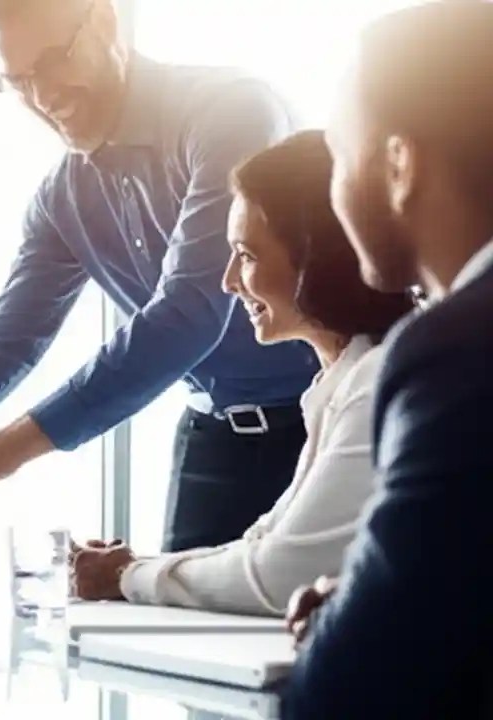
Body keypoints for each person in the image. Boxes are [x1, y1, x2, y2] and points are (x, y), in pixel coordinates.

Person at [0, 0, 318, 553]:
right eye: (21, 80)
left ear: (104, 22)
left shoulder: (229, 113)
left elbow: (189, 311)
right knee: (183, 628)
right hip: (213, 440)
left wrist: (7, 448)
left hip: (331, 422)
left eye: (55, 61)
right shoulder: (63, 200)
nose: (45, 97)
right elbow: (12, 335)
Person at [68, 130, 413, 615]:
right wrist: (134, 569)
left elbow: (279, 576)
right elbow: (261, 545)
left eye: (247, 256)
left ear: (313, 260)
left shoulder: (375, 384)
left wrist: (128, 576)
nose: (229, 281)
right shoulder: (340, 384)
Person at [282, 5, 493, 717]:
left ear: (400, 165)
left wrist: (344, 632)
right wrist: (365, 605)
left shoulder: (456, 351)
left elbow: (344, 693)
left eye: (340, 155)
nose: (335, 189)